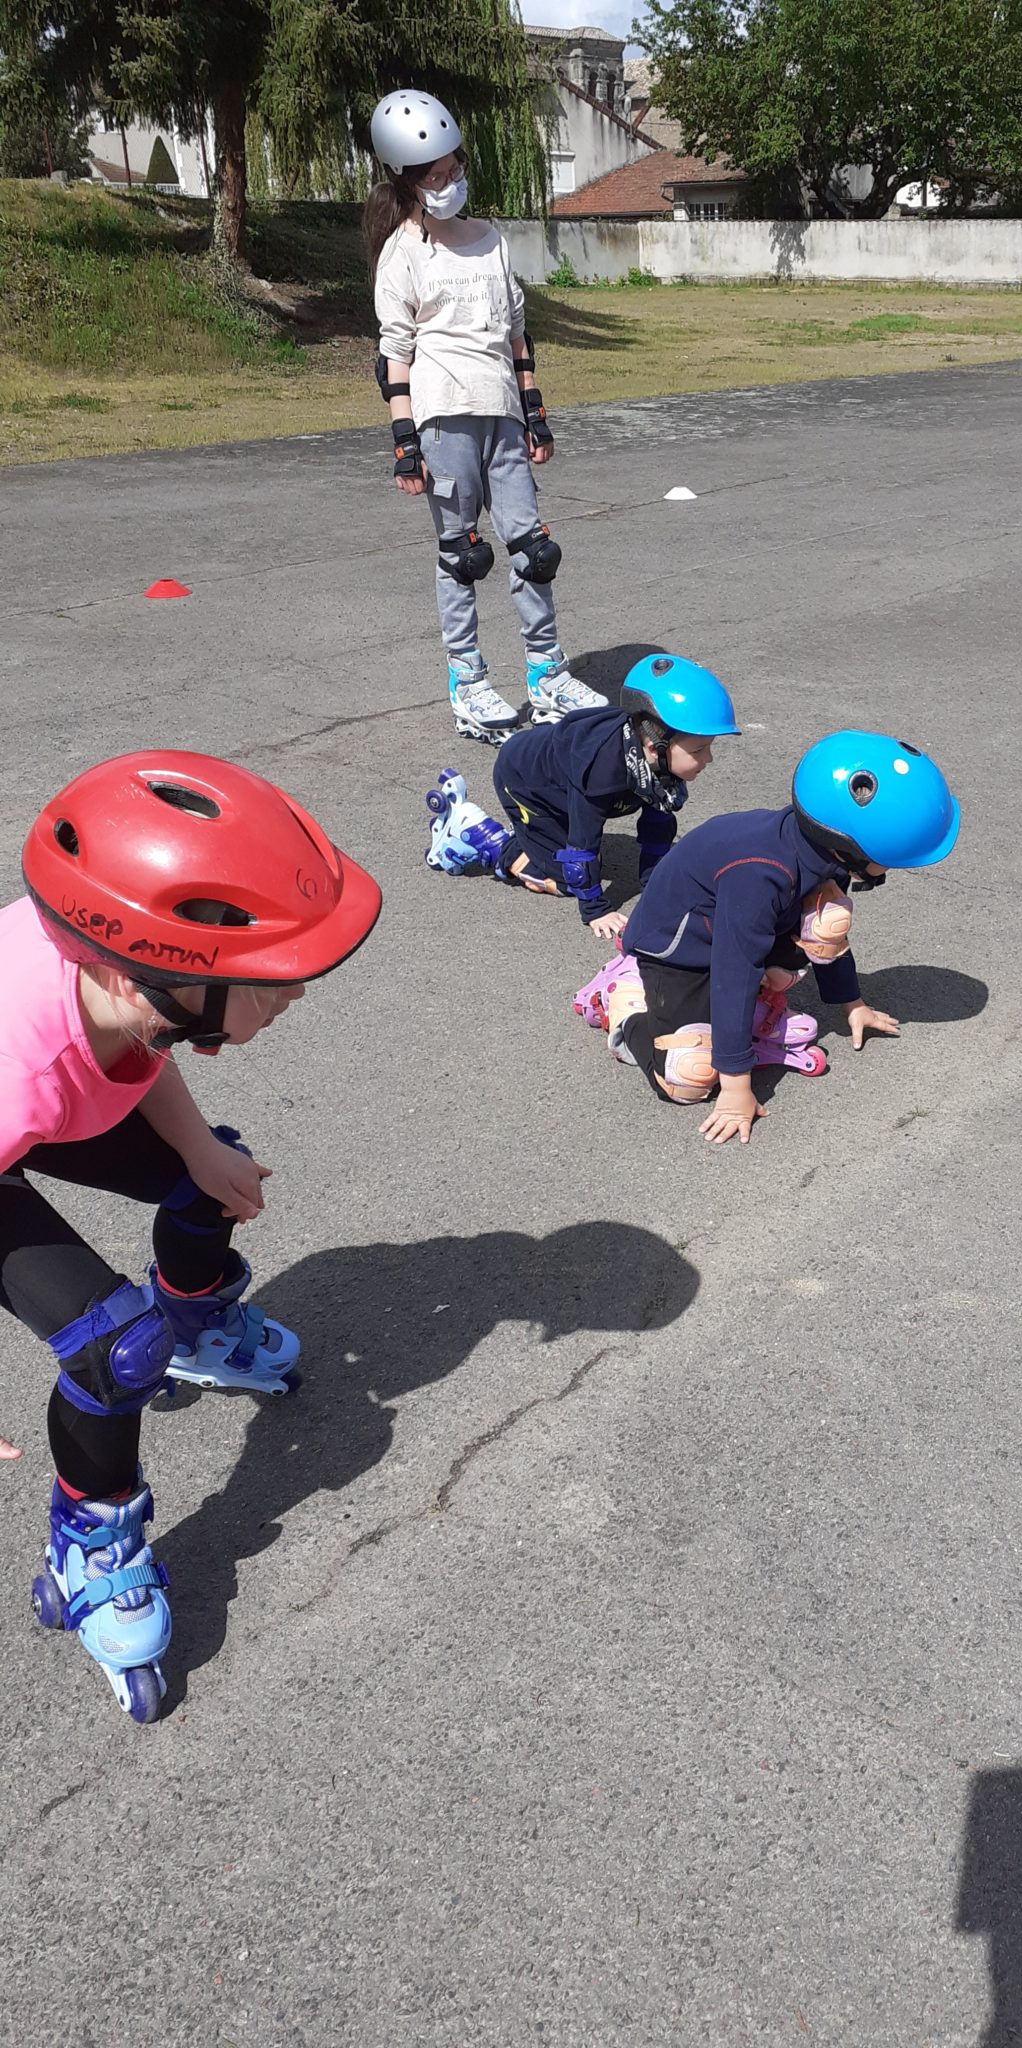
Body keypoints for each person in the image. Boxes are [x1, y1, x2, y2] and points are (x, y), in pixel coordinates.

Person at [1, 752, 381, 1722]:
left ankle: (199, 1325)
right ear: (145, 979)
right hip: (20, 1107)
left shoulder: (124, 993)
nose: (293, 995)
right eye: (268, 981)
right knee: (113, 1350)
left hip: (63, 1089)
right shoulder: (25, 1058)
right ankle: (90, 1544)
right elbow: (76, 1063)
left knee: (210, 1170)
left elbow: (135, 1054)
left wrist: (198, 1146)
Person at [364, 88, 604, 738]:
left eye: (453, 169)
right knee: (462, 554)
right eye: (433, 177)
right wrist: (403, 442)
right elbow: (395, 354)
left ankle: (548, 675)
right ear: (408, 182)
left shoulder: (489, 239)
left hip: (501, 412)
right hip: (442, 420)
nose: (448, 184)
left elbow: (517, 332)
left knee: (534, 549)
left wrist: (535, 411)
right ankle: (468, 684)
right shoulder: (402, 255)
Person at [605, 730, 961, 1146]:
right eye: (892, 859)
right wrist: (736, 1085)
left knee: (827, 917)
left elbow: (823, 940)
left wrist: (853, 1004)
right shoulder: (760, 875)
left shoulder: (823, 850)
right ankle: (627, 1006)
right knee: (689, 1078)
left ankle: (742, 1017)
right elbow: (734, 970)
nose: (895, 868)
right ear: (852, 847)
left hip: (734, 930)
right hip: (676, 951)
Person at [423, 653, 739, 942]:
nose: (708, 759)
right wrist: (595, 910)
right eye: (699, 750)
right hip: (523, 782)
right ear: (654, 744)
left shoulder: (651, 761)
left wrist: (656, 885)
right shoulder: (601, 775)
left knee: (581, 860)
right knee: (569, 880)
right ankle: (478, 837)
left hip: (559, 781)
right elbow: (581, 850)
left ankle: (532, 841)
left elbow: (658, 820)